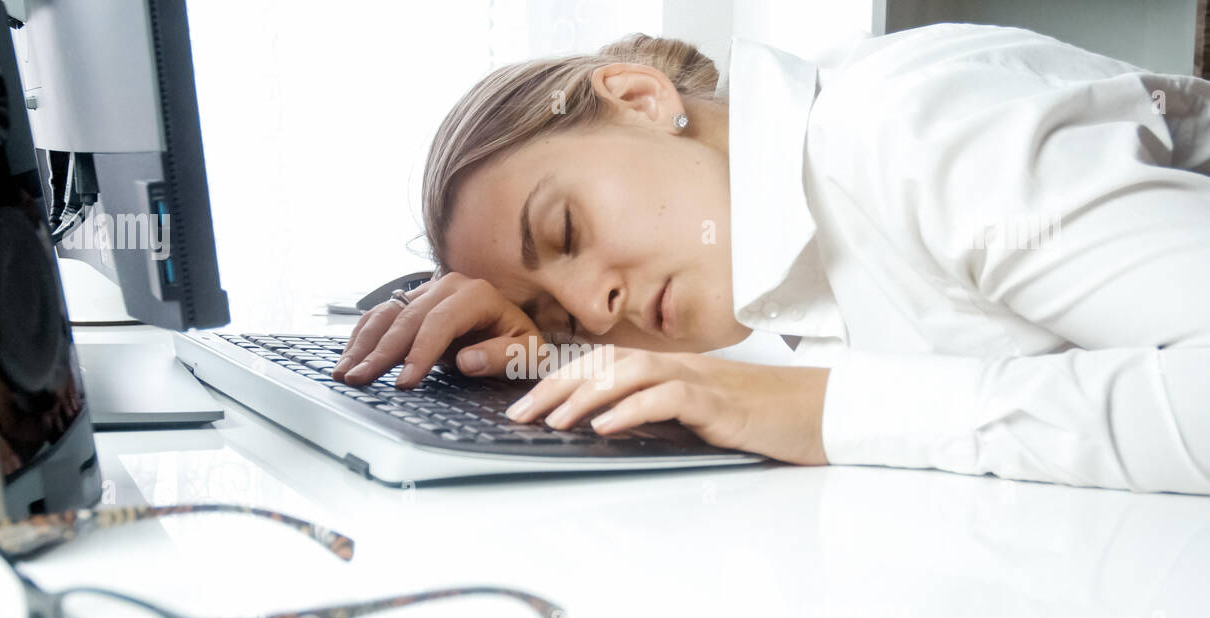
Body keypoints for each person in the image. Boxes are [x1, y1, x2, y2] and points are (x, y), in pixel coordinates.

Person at [334, 23, 1210, 495]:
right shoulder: (763, 260)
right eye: (562, 313)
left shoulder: (916, 131)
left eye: (565, 231)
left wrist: (818, 411)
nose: (597, 310)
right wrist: (527, 355)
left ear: (640, 99)